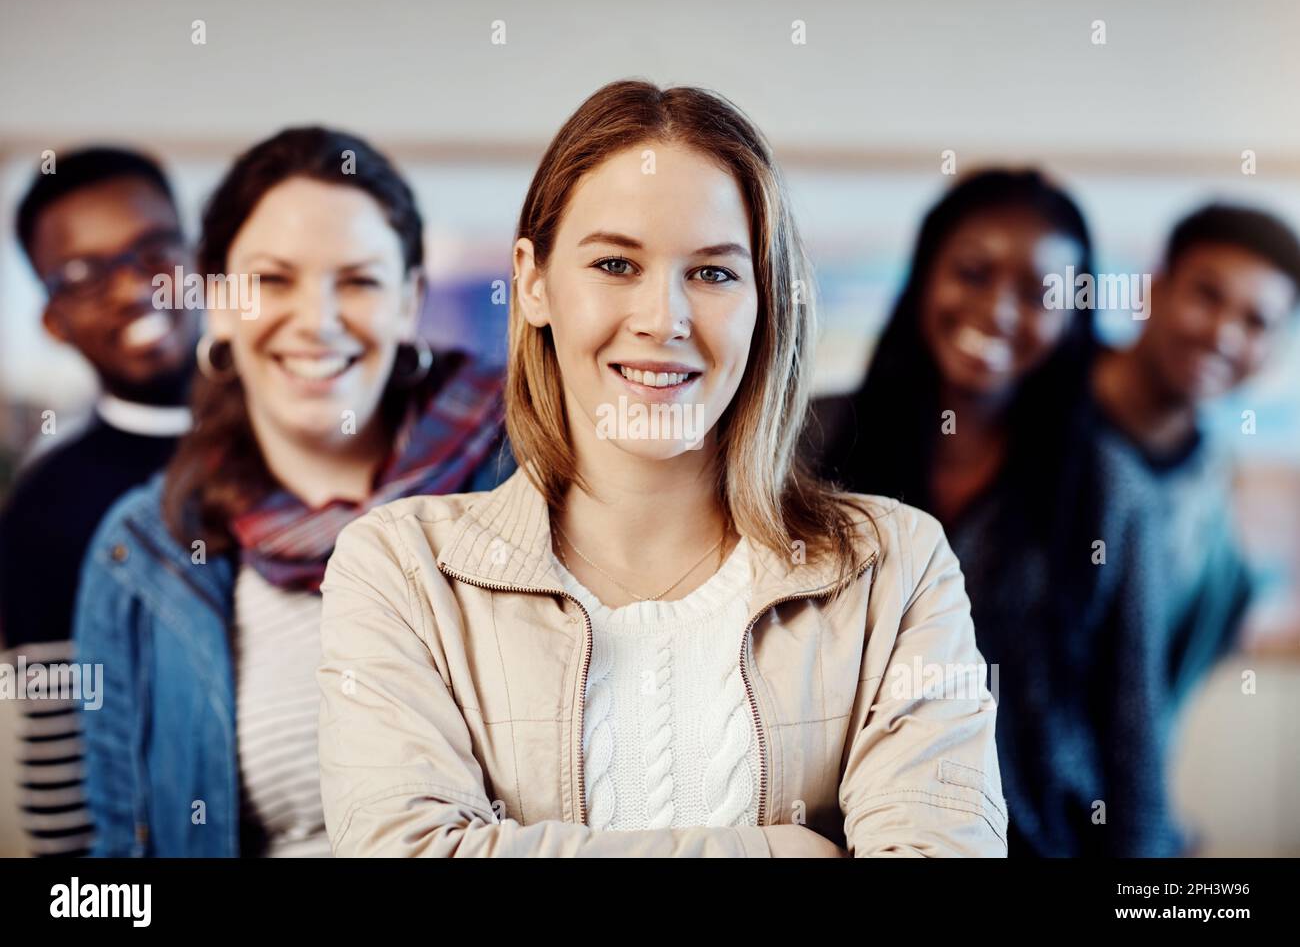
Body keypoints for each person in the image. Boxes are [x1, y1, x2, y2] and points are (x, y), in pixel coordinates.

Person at [316, 80, 1007, 858]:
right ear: (535, 281)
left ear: (764, 299)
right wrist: (792, 849)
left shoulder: (897, 568)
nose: (663, 320)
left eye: (713, 274)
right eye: (616, 264)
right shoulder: (402, 572)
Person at [72, 126, 514, 857]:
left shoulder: (531, 480)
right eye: (273, 280)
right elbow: (124, 858)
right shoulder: (142, 550)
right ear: (216, 299)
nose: (317, 321)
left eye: (360, 281)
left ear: (409, 302)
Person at [816, 169, 1184, 857]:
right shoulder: (810, 443)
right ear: (925, 276)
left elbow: (1133, 726)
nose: (999, 309)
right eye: (973, 272)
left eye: (1039, 292)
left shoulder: (1112, 490)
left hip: (1047, 840)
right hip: (843, 838)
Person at [0, 147, 196, 857]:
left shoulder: (298, 434)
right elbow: (61, 791)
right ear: (52, 318)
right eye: (83, 274)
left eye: (153, 249)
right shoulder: (47, 510)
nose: (130, 288)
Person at [1091, 204, 1300, 740]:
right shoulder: (1034, 416)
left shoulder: (1210, 474)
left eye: (1256, 322)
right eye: (1207, 296)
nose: (1223, 335)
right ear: (1154, 290)